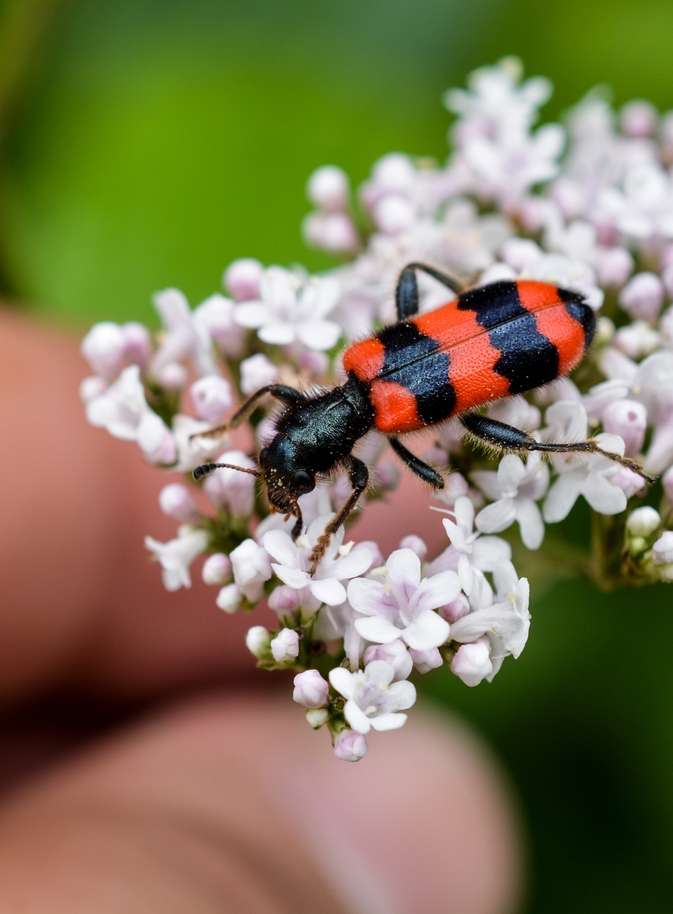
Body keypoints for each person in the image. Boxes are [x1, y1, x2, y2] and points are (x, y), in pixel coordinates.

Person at [0, 307, 520, 913]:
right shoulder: (360, 368)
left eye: (292, 472)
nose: (282, 488)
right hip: (490, 328)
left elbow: (352, 483)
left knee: (514, 437)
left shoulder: (382, 412)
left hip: (521, 336)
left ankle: (577, 442)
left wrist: (323, 543)